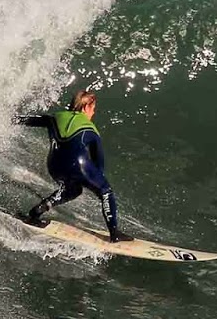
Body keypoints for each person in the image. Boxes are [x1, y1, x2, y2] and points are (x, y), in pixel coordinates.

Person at [17, 90, 134, 242]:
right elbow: (99, 161)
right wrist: (98, 181)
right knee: (105, 191)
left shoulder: (54, 117)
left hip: (54, 165)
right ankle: (114, 233)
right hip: (78, 166)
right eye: (93, 108)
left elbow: (29, 120)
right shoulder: (90, 128)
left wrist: (9, 118)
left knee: (73, 189)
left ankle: (40, 209)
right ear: (85, 108)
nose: (94, 112)